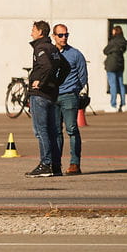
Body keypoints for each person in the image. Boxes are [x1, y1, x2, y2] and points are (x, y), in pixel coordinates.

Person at [25, 20, 62, 178]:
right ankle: (55, 165)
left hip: (40, 95)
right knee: (52, 131)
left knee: (41, 131)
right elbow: (64, 66)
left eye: (33, 30)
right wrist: (56, 83)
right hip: (52, 95)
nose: (31, 32)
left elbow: (46, 66)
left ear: (40, 32)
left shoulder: (40, 47)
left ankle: (45, 164)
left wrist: (41, 82)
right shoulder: (53, 48)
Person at [52, 24, 88, 176]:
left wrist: (74, 91)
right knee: (55, 132)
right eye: (60, 35)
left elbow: (83, 76)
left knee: (72, 130)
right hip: (52, 97)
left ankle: (75, 164)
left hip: (69, 97)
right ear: (54, 36)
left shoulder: (75, 54)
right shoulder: (49, 53)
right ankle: (55, 164)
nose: (64, 37)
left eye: (66, 34)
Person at [103, 25, 127, 112]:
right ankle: (123, 104)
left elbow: (105, 50)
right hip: (120, 64)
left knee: (113, 85)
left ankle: (113, 105)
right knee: (121, 84)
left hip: (111, 65)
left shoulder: (113, 41)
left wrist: (111, 51)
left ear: (116, 31)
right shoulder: (123, 41)